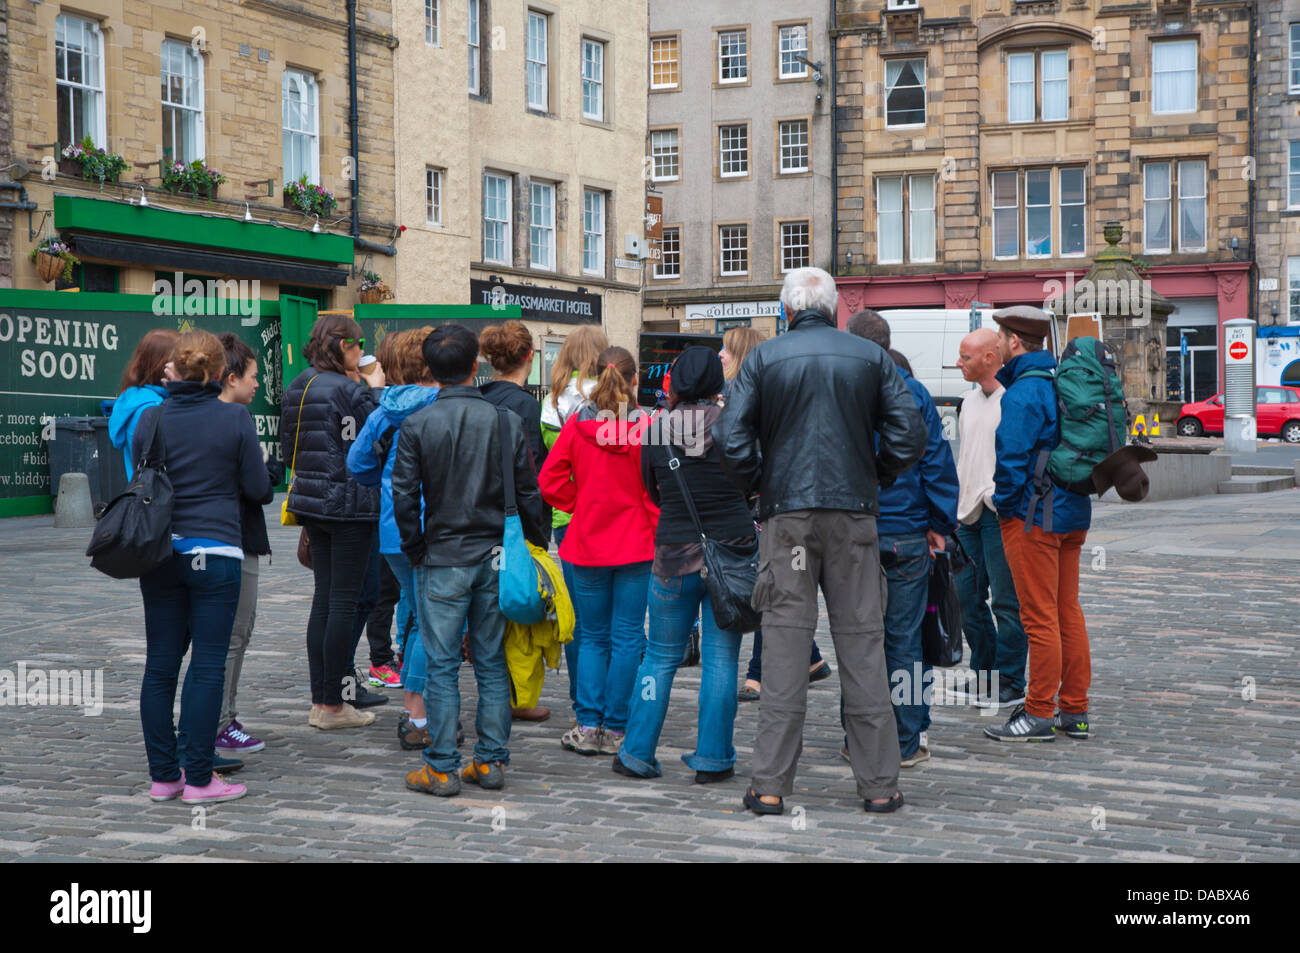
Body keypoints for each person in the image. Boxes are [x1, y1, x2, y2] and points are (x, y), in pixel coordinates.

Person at [715, 267, 927, 815]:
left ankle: (769, 786)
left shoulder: (764, 357)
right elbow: (911, 431)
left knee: (784, 647)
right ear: (835, 309)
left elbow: (730, 436)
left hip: (789, 518)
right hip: (853, 514)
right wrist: (876, 473)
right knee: (863, 645)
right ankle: (880, 784)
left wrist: (761, 484)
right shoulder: (870, 357)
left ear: (787, 311)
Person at [393, 324, 547, 797]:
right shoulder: (505, 420)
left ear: (431, 370)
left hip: (443, 555)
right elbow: (527, 491)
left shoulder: (417, 423)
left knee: (440, 664)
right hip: (495, 553)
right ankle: (490, 761)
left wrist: (415, 546)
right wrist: (537, 545)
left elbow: (404, 494)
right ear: (475, 365)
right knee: (491, 661)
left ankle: (441, 765)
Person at [137, 330, 271, 806]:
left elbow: (144, 482)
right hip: (215, 551)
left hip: (160, 553)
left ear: (175, 367)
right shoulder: (234, 418)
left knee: (160, 668)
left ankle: (163, 777)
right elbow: (258, 489)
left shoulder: (150, 418)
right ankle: (199, 779)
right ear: (219, 373)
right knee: (208, 666)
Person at [613, 346, 752, 783]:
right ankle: (713, 758)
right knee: (721, 660)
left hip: (672, 553)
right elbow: (755, 483)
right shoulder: (736, 427)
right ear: (716, 381)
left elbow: (652, 491)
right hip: (731, 554)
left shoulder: (654, 429)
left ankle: (636, 752)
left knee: (658, 657)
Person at [845, 313, 959, 768]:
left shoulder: (845, 391)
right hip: (908, 532)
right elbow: (936, 459)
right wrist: (940, 523)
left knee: (859, 640)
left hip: (855, 529)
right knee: (905, 641)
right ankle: (907, 740)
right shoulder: (914, 394)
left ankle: (857, 740)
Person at [539, 346, 658, 757]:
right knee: (627, 637)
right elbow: (660, 489)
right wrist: (648, 514)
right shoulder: (649, 427)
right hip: (636, 542)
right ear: (635, 380)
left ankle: (588, 724)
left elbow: (549, 482)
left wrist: (581, 501)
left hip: (588, 539)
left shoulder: (576, 425)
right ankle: (618, 729)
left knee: (592, 637)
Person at [984, 307, 1092, 742]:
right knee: (1068, 612)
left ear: (1014, 342)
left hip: (1033, 519)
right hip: (1072, 514)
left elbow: (1011, 461)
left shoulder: (1023, 392)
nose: (995, 345)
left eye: (999, 337)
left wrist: (1005, 509)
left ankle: (1038, 712)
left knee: (1038, 617)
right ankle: (1075, 711)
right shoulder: (1061, 381)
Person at [280, 314, 384, 730]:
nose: (362, 354)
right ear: (343, 346)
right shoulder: (349, 390)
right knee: (343, 600)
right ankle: (333, 706)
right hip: (349, 505)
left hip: (312, 504)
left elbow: (290, 451)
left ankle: (323, 701)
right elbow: (371, 445)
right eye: (359, 346)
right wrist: (375, 395)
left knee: (324, 600)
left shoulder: (297, 385)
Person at [722, 327, 830, 702]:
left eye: (726, 350)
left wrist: (753, 487)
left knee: (769, 586)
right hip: (771, 504)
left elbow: (746, 453)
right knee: (773, 584)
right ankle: (811, 659)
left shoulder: (744, 395)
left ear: (741, 356)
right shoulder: (750, 394)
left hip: (763, 508)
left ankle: (758, 674)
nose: (721, 356)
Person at [347, 327, 440, 749]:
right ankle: (417, 712)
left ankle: (416, 702)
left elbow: (358, 463)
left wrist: (384, 483)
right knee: (427, 620)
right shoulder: (441, 404)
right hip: (436, 527)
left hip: (392, 528)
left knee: (413, 609)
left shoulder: (383, 410)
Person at [212, 334, 285, 758]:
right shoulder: (236, 420)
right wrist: (268, 471)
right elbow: (257, 488)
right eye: (254, 377)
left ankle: (220, 717)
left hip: (200, 543)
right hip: (235, 540)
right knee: (235, 634)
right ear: (231, 377)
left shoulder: (176, 413)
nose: (258, 385)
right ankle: (221, 721)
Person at [479, 319, 552, 722]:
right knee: (518, 610)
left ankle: (499, 692)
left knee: (487, 609)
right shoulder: (526, 406)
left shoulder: (479, 397)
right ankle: (515, 695)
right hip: (514, 520)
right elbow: (531, 472)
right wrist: (538, 527)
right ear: (529, 357)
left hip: (475, 514)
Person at [953, 328, 1028, 709]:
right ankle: (984, 675)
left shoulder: (1011, 400)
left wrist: (1001, 498)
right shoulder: (967, 402)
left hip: (999, 515)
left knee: (1006, 602)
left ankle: (1012, 679)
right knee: (966, 598)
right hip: (966, 515)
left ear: (989, 357)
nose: (958, 363)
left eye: (965, 356)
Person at [539, 324, 609, 721]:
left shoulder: (553, 402)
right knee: (615, 616)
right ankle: (613, 698)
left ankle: (583, 698)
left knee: (580, 613)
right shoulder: (614, 396)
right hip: (611, 512)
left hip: (568, 516)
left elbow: (551, 465)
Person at [109, 329, 180, 480]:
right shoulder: (153, 409)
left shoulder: (133, 399)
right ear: (164, 368)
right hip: (161, 498)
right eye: (180, 363)